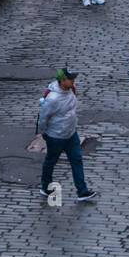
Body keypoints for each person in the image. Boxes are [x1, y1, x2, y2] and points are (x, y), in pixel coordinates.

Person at [37, 67, 97, 203]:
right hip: (56, 136)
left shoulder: (71, 91)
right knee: (51, 161)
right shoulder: (53, 99)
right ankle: (45, 186)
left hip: (71, 134)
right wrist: (43, 133)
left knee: (77, 160)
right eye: (71, 79)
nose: (73, 82)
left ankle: (82, 191)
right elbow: (43, 117)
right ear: (62, 81)